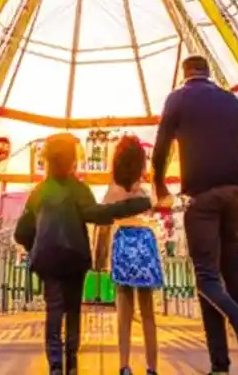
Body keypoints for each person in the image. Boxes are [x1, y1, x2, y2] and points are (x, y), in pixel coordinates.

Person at [151, 55, 238, 375]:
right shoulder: (230, 100)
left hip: (201, 198)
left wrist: (160, 185)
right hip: (235, 196)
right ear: (208, 72)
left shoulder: (178, 99)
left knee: (206, 278)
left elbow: (161, 148)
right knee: (232, 274)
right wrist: (236, 173)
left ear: (184, 72)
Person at [15, 133, 152, 375]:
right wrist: (140, 204)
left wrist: (35, 246)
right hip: (73, 257)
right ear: (71, 161)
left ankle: (55, 365)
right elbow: (99, 213)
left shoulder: (40, 192)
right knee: (73, 310)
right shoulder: (79, 190)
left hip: (47, 259)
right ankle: (72, 363)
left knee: (53, 310)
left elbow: (22, 231)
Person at [97, 135, 163, 375]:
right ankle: (151, 367)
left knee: (124, 311)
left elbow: (103, 222)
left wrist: (99, 257)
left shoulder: (113, 191)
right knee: (148, 312)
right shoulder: (144, 191)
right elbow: (157, 206)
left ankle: (124, 365)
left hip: (123, 241)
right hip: (145, 242)